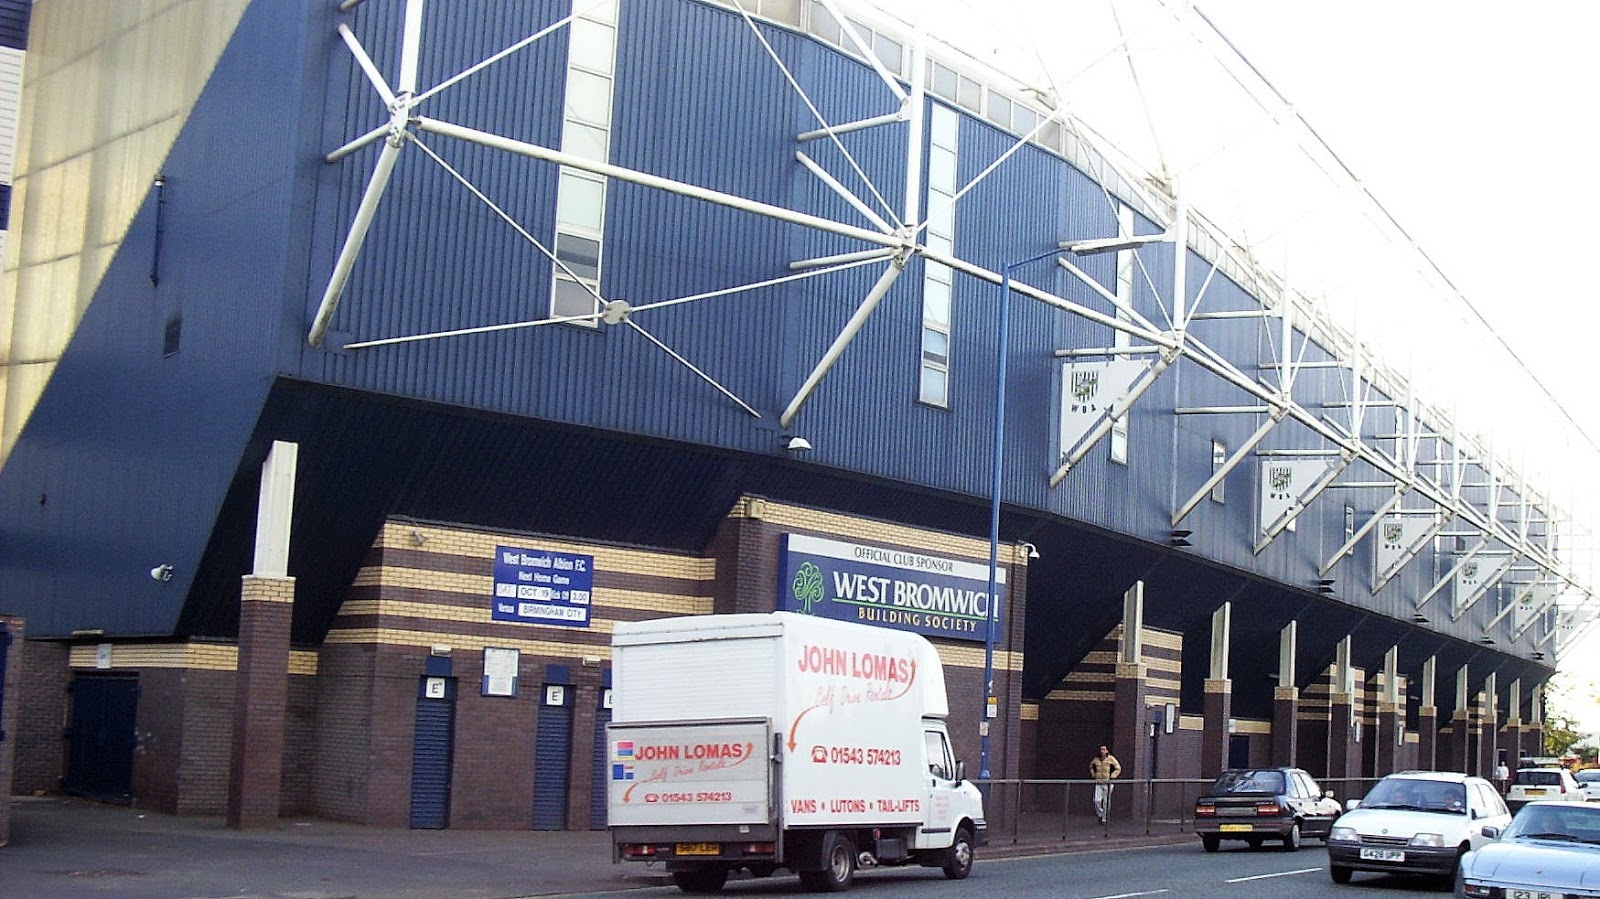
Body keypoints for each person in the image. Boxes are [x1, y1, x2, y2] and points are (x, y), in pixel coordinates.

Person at [1090, 744, 1122, 824]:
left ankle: (1104, 819)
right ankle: (1101, 814)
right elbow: (1091, 766)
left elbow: (1118, 768)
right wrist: (1093, 774)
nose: (1102, 751)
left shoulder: (1111, 759)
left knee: (1106, 801)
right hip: (1098, 782)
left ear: (1107, 751)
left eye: (1104, 749)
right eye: (1101, 749)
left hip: (1107, 782)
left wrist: (1113, 776)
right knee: (1096, 800)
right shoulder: (1096, 759)